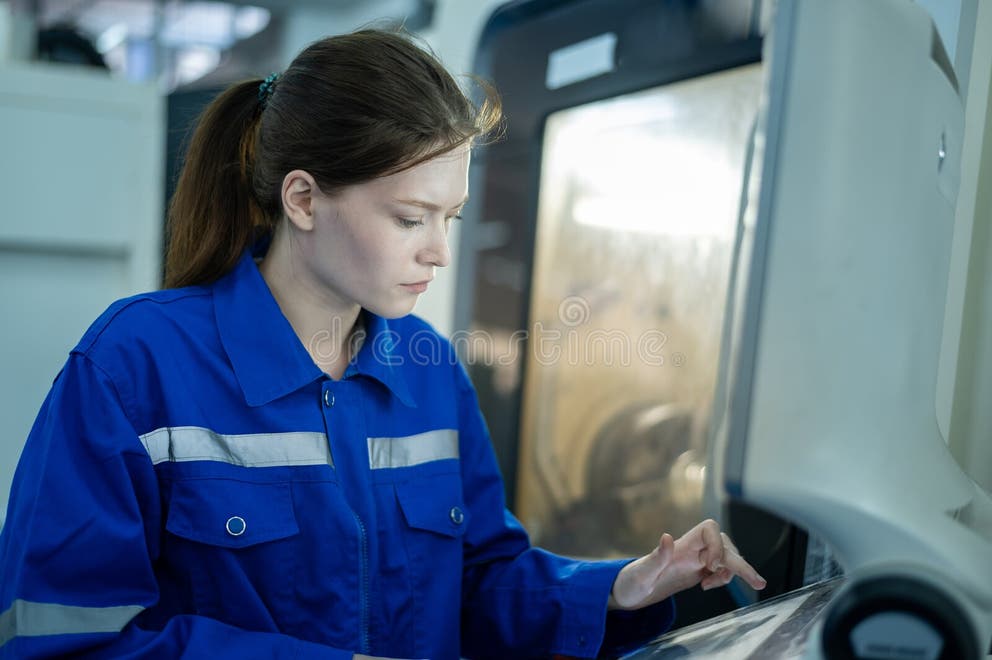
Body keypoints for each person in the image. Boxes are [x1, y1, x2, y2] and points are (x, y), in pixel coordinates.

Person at [0, 29, 765, 660]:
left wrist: (624, 586)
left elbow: (478, 583)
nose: (439, 251)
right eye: (409, 218)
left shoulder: (430, 372)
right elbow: (60, 640)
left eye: (449, 217)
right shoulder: (135, 364)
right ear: (304, 199)